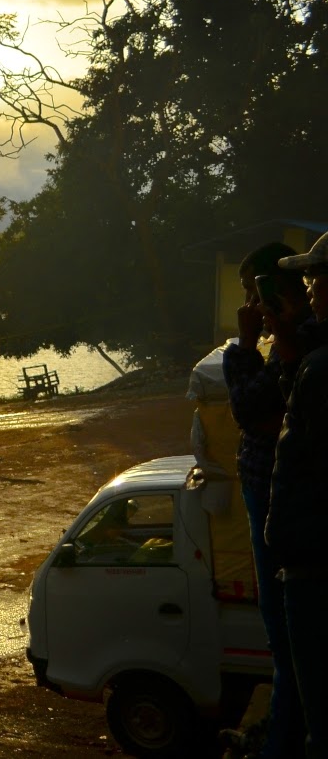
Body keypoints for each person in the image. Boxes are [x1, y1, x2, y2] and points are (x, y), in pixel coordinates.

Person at [222, 242, 312, 758]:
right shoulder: (293, 341)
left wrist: (243, 342)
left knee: (283, 625)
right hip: (273, 490)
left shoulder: (290, 343)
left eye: (250, 294)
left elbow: (248, 409)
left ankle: (282, 742)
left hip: (275, 493)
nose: (248, 306)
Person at [269, 232, 328, 758]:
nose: (308, 289)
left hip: (316, 570)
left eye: (315, 278)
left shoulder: (323, 369)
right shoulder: (314, 361)